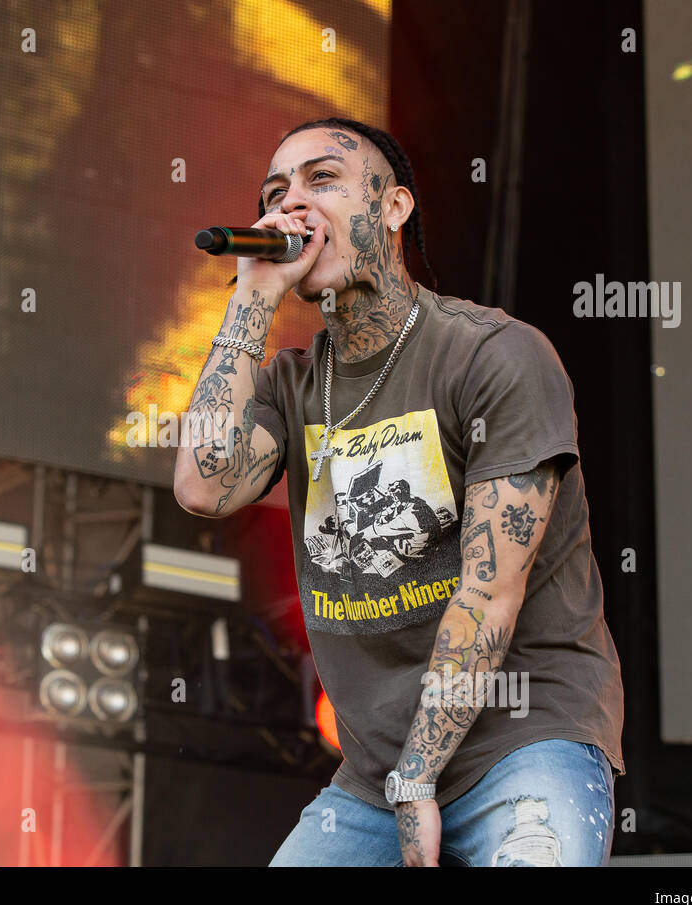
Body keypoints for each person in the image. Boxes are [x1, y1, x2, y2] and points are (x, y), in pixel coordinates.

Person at [172, 117, 624, 866]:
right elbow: (202, 487)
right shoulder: (292, 385)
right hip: (372, 778)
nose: (293, 206)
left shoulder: (493, 356)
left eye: (323, 181)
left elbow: (489, 595)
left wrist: (420, 775)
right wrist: (249, 299)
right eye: (275, 193)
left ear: (394, 207)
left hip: (522, 739)